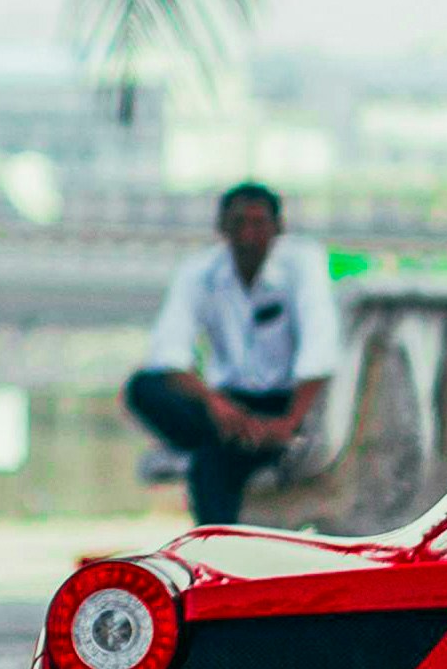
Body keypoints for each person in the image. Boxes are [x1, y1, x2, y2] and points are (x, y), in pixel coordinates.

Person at [126, 182, 341, 526]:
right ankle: (241, 439)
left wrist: (288, 423)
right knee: (143, 387)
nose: (248, 236)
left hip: (283, 404)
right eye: (239, 224)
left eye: (258, 224)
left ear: (277, 229)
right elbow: (169, 353)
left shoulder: (303, 263)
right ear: (223, 228)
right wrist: (215, 403)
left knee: (209, 466)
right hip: (223, 409)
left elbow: (320, 349)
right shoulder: (200, 272)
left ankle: (252, 444)